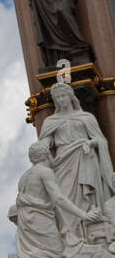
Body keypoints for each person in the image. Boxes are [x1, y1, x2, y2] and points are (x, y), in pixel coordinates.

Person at [39, 81, 115, 240]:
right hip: (62, 162)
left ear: (70, 96)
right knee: (64, 196)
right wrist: (43, 146)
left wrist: (89, 143)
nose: (61, 99)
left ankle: (93, 236)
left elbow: (101, 140)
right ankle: (73, 238)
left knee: (88, 195)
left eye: (63, 95)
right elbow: (46, 141)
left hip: (86, 157)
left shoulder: (86, 117)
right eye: (57, 97)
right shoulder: (50, 121)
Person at [10, 138, 102, 258]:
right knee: (57, 254)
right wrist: (84, 215)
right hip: (39, 218)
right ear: (48, 154)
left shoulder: (23, 177)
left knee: (43, 254)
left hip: (26, 220)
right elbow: (58, 198)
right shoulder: (45, 172)